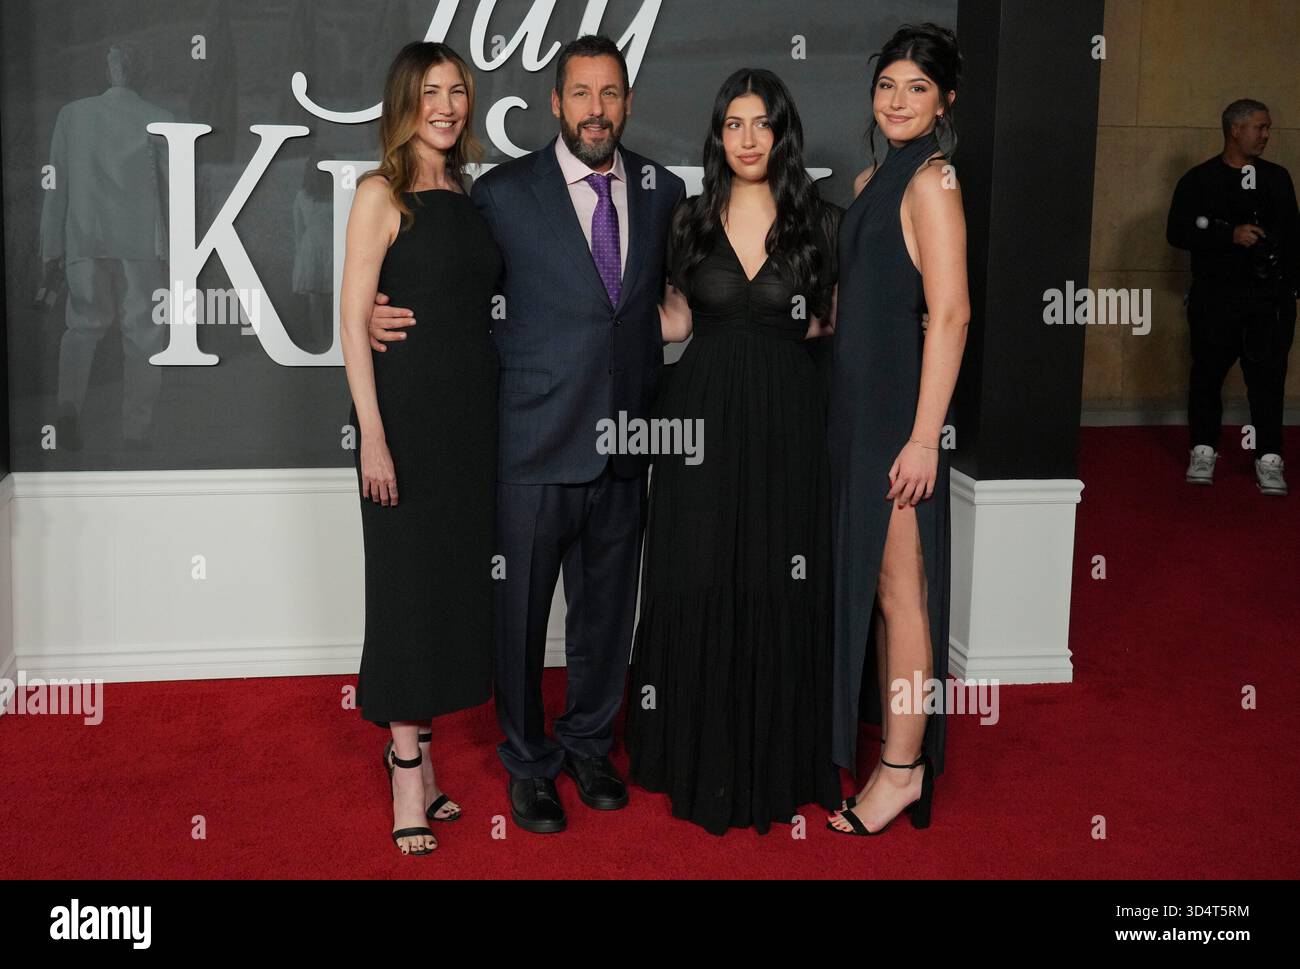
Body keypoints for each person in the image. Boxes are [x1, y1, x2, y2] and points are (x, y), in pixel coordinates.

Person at [369, 35, 685, 835]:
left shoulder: (664, 189)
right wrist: (375, 309)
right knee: (517, 617)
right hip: (532, 439)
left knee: (606, 614)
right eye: (580, 93)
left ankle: (588, 746)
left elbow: (671, 294)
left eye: (609, 94)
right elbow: (449, 274)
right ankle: (528, 762)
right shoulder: (503, 193)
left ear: (628, 102)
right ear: (556, 103)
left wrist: (714, 319)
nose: (595, 109)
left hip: (626, 441)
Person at [623, 68, 841, 835]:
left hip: (789, 421)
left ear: (783, 132)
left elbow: (832, 325)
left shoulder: (823, 222)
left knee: (779, 570)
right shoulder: (689, 219)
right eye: (734, 124)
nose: (748, 139)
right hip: (700, 421)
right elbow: (677, 321)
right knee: (699, 568)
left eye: (762, 123)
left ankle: (775, 756)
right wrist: (580, 317)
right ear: (718, 136)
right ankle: (693, 749)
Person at [339, 41, 500, 856]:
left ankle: (427, 760)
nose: (446, 105)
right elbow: (351, 321)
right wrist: (373, 435)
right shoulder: (381, 192)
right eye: (431, 91)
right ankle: (405, 770)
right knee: (405, 590)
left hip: (470, 425)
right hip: (402, 423)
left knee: (444, 589)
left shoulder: (470, 194)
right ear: (404, 102)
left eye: (457, 91)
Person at [826, 23, 969, 837]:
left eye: (918, 88)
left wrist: (922, 438)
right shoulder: (875, 176)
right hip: (855, 406)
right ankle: (893, 751)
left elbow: (950, 314)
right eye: (888, 85)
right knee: (880, 592)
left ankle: (904, 769)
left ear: (945, 101)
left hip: (896, 418)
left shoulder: (934, 181)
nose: (898, 101)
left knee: (900, 592)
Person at [1167, 98, 1299, 496]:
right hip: (1215, 299)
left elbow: (1293, 236)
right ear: (1235, 129)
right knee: (1207, 375)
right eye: (1260, 127)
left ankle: (1269, 457)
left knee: (1268, 380)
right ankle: (1203, 449)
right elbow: (1177, 232)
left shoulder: (1277, 178)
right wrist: (1229, 235)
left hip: (1268, 301)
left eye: (1267, 127)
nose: (1266, 135)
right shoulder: (1198, 180)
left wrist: (1290, 288)